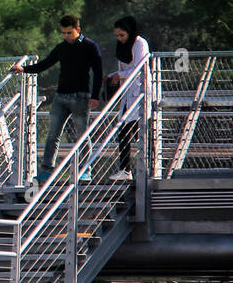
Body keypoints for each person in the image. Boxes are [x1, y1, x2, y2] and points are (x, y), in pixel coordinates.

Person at [10, 15, 103, 181]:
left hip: (80, 97)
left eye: (69, 33)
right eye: (63, 33)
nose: (66, 36)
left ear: (78, 30)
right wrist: (23, 69)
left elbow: (98, 72)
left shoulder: (90, 46)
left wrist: (95, 96)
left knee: (81, 134)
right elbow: (45, 64)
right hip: (61, 97)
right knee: (53, 134)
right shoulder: (61, 47)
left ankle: (85, 169)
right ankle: (47, 170)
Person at [106, 15, 150, 181]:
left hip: (140, 93)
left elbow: (139, 68)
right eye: (117, 36)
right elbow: (125, 69)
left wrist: (120, 75)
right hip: (128, 94)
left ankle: (144, 170)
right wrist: (111, 76)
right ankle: (125, 170)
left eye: (122, 35)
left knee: (139, 132)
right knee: (123, 132)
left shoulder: (140, 43)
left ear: (130, 32)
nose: (119, 39)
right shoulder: (122, 46)